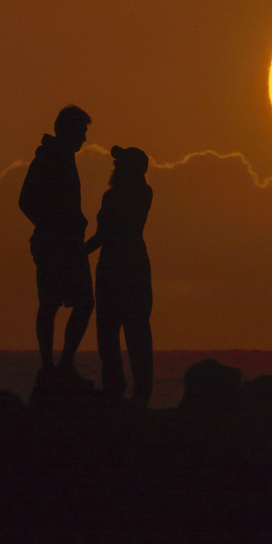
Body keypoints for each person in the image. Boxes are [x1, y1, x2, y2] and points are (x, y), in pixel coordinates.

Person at [19, 105, 94, 387]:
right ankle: (52, 365)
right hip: (55, 244)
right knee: (53, 304)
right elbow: (25, 200)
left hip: (69, 243)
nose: (84, 139)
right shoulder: (48, 159)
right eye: (81, 132)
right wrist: (51, 227)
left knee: (80, 303)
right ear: (69, 130)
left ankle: (62, 365)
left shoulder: (62, 157)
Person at [85, 145, 154, 406]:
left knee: (110, 330)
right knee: (135, 329)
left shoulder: (113, 197)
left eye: (119, 164)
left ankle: (116, 388)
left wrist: (79, 252)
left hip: (114, 265)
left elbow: (104, 234)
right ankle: (140, 391)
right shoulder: (145, 192)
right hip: (134, 263)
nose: (114, 167)